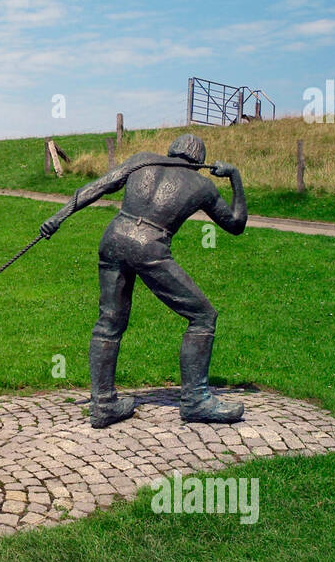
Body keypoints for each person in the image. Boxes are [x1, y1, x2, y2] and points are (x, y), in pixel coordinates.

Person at [39, 134, 246, 427]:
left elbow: (95, 187)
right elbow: (236, 224)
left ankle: (103, 404)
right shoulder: (202, 185)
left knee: (108, 322)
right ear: (199, 160)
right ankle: (195, 400)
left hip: (113, 238)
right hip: (148, 245)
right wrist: (235, 177)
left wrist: (59, 217)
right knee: (203, 316)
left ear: (172, 151)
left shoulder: (142, 159)